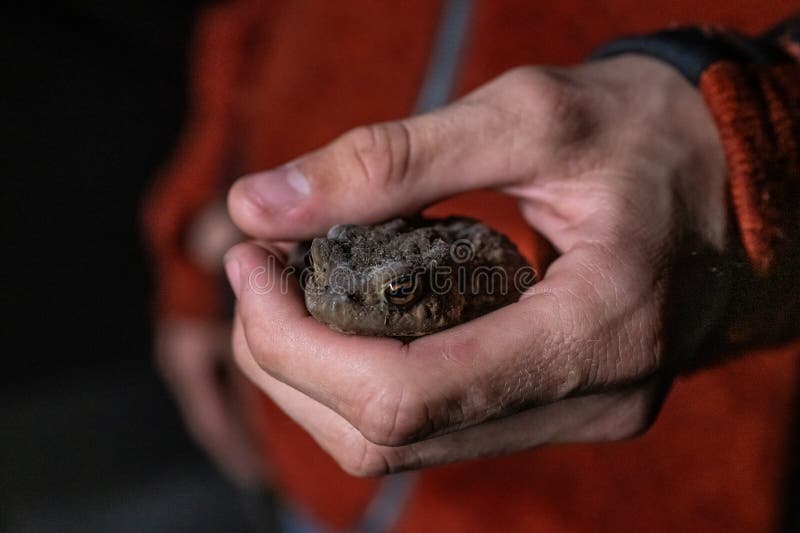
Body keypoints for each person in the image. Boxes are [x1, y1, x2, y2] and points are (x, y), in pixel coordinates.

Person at [145, 1, 800, 530]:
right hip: (305, 466)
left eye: (399, 291)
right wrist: (206, 230)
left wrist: (755, 145)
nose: (335, 293)